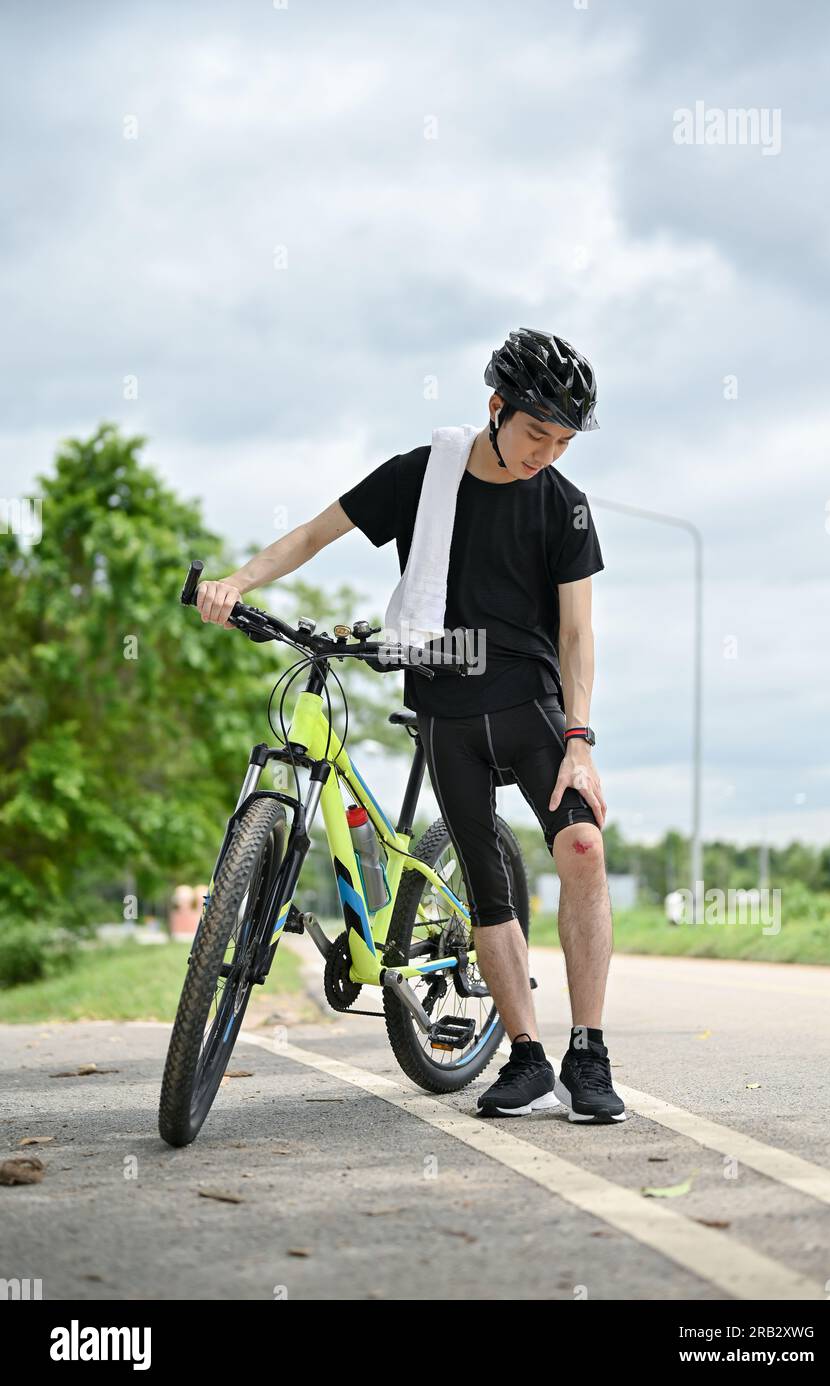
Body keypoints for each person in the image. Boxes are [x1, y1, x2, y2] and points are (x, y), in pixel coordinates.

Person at [195, 327, 626, 1125]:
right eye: (538, 433)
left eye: (564, 441)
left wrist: (580, 739)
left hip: (532, 709)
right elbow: (315, 533)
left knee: (583, 845)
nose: (548, 453)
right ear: (496, 409)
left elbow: (576, 634)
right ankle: (527, 1058)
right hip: (446, 711)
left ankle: (589, 1054)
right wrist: (235, 581)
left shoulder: (563, 505)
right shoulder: (420, 478)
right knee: (487, 895)